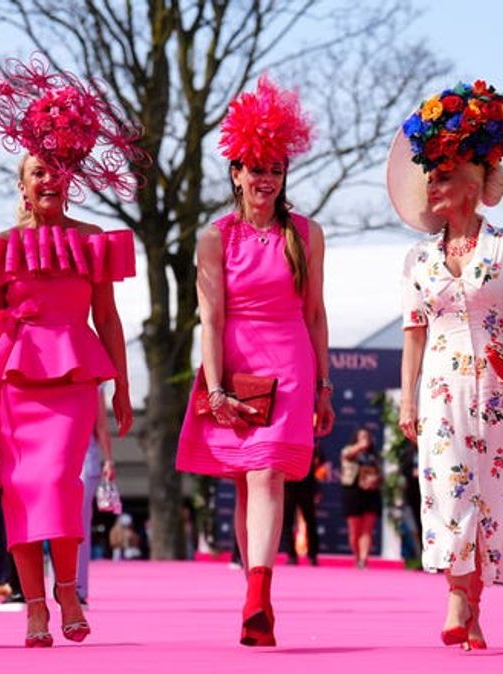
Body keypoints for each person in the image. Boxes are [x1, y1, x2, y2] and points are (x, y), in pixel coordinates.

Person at [0, 55, 140, 648]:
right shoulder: (1, 247)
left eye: (59, 171)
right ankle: (34, 606)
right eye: (39, 171)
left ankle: (69, 590)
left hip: (73, 382)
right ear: (22, 182)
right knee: (19, 491)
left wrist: (123, 387)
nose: (50, 181)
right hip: (12, 386)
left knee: (61, 482)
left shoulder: (94, 242)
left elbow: (108, 318)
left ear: (72, 178)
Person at [176, 75, 335, 647]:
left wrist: (324, 386)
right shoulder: (214, 239)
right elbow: (211, 320)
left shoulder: (307, 234)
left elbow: (315, 313)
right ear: (236, 172)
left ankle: (258, 598)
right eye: (255, 168)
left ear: (282, 175)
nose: (264, 179)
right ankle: (253, 589)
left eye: (274, 169)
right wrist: (215, 388)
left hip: (291, 361)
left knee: (269, 474)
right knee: (246, 483)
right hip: (237, 363)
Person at [388, 80, 503, 650]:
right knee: (452, 495)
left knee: (495, 497)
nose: (433, 184)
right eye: (431, 176)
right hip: (441, 392)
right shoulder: (417, 260)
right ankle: (458, 597)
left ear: (475, 185)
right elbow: (413, 334)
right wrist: (406, 400)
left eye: (445, 175)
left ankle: (472, 607)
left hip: (501, 392)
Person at [77, 386, 116, 606]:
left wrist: (108, 459)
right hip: (53, 454)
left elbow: (101, 424)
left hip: (85, 456)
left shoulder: (95, 380)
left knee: (80, 524)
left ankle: (78, 587)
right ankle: (60, 584)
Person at [340, 428, 382, 568]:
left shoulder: (374, 456)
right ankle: (357, 557)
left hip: (371, 493)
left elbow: (382, 475)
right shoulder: (349, 451)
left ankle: (364, 560)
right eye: (362, 436)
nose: (365, 439)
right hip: (353, 492)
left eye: (367, 437)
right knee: (354, 529)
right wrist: (360, 446)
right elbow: (346, 455)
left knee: (367, 529)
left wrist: (375, 479)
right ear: (356, 439)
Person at [282, 445, 321, 566]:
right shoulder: (284, 443)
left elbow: (318, 467)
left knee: (311, 522)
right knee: (287, 523)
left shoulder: (311, 442)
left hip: (307, 488)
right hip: (288, 487)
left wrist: (317, 489)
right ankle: (291, 555)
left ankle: (313, 555)